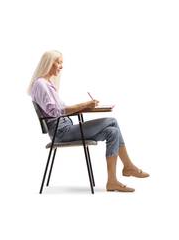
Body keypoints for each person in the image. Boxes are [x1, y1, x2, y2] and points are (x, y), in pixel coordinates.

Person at [28, 50, 148, 192]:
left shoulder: (47, 84)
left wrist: (87, 106)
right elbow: (55, 112)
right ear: (48, 63)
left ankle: (112, 181)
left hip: (66, 128)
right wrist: (85, 105)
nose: (61, 66)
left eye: (62, 62)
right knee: (112, 120)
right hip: (61, 132)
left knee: (112, 132)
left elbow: (60, 109)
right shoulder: (41, 84)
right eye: (58, 62)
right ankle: (128, 166)